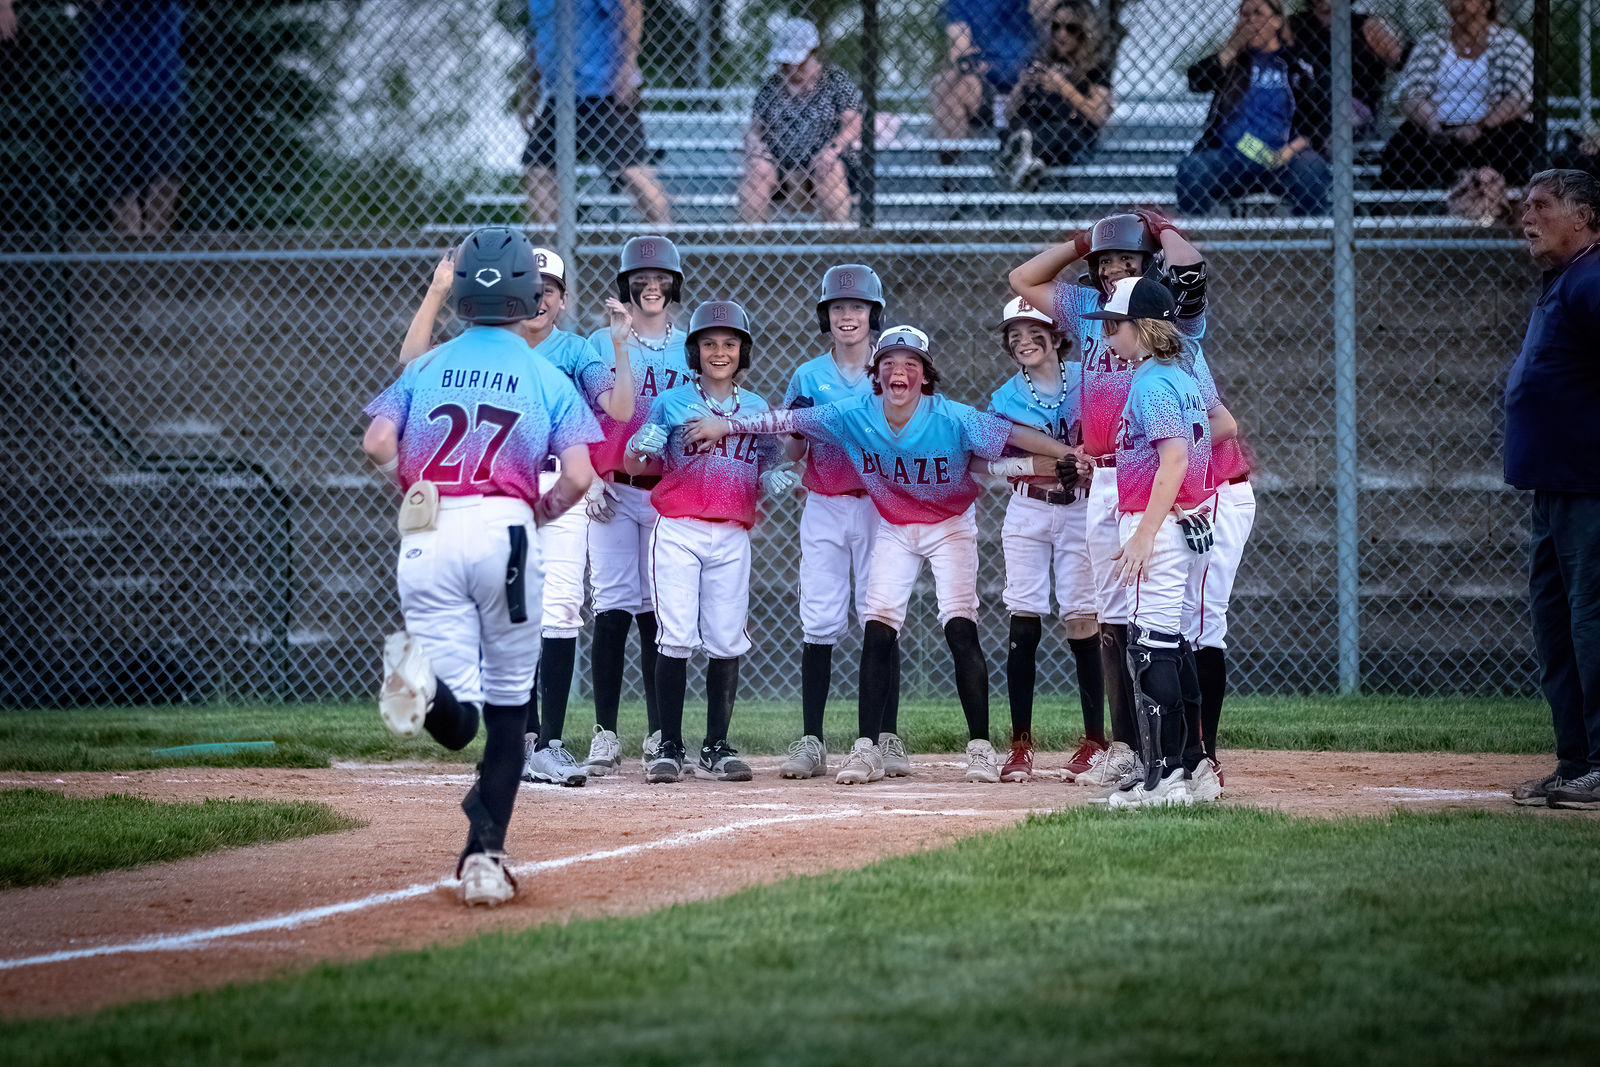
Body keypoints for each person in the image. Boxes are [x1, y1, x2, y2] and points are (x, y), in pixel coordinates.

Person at [685, 327, 1075, 785]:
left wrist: (1068, 454)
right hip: (895, 526)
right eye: (889, 363)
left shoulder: (951, 416)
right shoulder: (855, 412)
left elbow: (1013, 435)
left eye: (911, 364)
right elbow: (781, 421)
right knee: (878, 625)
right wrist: (727, 424)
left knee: (959, 626)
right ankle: (866, 747)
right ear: (876, 374)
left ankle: (980, 749)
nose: (899, 372)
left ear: (925, 377)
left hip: (950, 526)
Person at [363, 226, 602, 905]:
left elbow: (377, 439)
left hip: (428, 531)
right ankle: (481, 859)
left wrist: (406, 490)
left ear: (462, 293)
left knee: (458, 714)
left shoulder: (428, 365)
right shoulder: (545, 372)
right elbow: (580, 475)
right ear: (529, 297)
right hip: (504, 531)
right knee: (507, 714)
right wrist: (543, 511)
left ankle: (425, 689)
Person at [391, 247, 637, 789]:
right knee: (509, 610)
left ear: (564, 300)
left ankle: (545, 743)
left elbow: (619, 409)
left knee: (560, 606)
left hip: (556, 482)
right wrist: (437, 291)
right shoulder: (484, 346)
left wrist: (619, 349)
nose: (542, 298)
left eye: (551, 289)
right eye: (533, 287)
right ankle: (520, 740)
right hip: (499, 488)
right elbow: (413, 364)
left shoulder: (573, 350)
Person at [1008, 209, 1220, 790]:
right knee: (1114, 618)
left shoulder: (1165, 323)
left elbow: (1192, 278)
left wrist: (1165, 229)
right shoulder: (1093, 313)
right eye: (1105, 262)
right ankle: (1131, 748)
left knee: (1164, 627)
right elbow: (1023, 281)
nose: (1113, 270)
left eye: (1126, 258)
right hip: (1106, 481)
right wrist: (1082, 242)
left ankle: (1187, 756)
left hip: (1151, 484)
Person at [623, 301, 792, 783]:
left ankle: (716, 746)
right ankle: (669, 746)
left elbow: (768, 463)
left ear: (743, 352)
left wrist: (775, 472)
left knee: (725, 639)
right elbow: (638, 462)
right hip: (679, 527)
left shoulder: (757, 407)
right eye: (710, 344)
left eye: (730, 344)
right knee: (675, 636)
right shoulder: (672, 401)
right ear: (694, 351)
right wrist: (642, 448)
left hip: (733, 531)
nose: (720, 352)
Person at [1084, 275, 1222, 809]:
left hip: (1156, 526)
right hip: (1177, 522)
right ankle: (1186, 766)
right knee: (1174, 643)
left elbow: (1175, 458)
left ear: (1141, 328)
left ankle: (1165, 780)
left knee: (1151, 649)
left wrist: (1144, 534)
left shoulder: (1152, 382)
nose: (1109, 336)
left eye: (1115, 326)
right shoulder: (1180, 376)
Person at [778, 265, 903, 781]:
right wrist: (796, 428)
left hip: (879, 504)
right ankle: (812, 739)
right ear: (825, 316)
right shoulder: (809, 375)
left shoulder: (892, 366)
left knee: (881, 615)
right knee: (820, 618)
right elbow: (789, 450)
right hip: (826, 503)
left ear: (874, 314)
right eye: (837, 308)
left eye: (856, 307)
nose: (847, 316)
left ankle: (885, 735)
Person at [1506, 169, 1600, 811]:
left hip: (1590, 489)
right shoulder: (1566, 281)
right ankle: (1576, 763)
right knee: (1558, 624)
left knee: (1591, 624)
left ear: (1586, 217)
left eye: (1542, 206)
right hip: (1556, 489)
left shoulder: (1593, 280)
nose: (1525, 216)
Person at [581, 235, 689, 776]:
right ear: (626, 285)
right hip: (613, 488)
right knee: (612, 606)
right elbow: (581, 411)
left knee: (657, 610)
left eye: (661, 279)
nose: (652, 287)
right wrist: (592, 475)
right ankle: (604, 732)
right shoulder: (601, 342)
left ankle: (655, 732)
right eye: (641, 279)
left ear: (673, 285)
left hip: (667, 492)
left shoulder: (693, 344)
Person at [987, 296, 1105, 782]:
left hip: (1081, 510)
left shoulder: (1089, 378)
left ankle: (1095, 740)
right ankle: (1020, 745)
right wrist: (1039, 463)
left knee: (1082, 617)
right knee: (1024, 616)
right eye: (1014, 334)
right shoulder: (1004, 398)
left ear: (1058, 336)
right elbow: (989, 463)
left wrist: (1087, 462)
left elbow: (1110, 438)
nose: (1024, 341)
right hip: (1029, 509)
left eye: (1034, 330)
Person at [523, 0, 671, 226]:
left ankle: (668, 245)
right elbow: (540, 38)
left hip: (603, 90)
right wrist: (531, 90)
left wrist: (627, 66)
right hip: (560, 96)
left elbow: (630, 9)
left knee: (632, 172)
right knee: (538, 170)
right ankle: (552, 251)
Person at [1176, 0, 1329, 217]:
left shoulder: (1297, 64)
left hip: (1281, 160)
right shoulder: (1234, 63)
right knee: (1192, 168)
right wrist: (1231, 49)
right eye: (1244, 15)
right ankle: (1196, 243)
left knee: (1312, 170)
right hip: (1231, 159)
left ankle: (1309, 244)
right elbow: (1196, 81)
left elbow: (1319, 118)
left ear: (1276, 21)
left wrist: (1288, 151)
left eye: (1258, 13)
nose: (1250, 21)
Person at [1377, 0, 1537, 194]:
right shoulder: (1432, 42)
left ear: (1486, 5)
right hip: (1438, 130)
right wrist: (1433, 127)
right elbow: (1411, 95)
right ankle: (1398, 219)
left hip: (1492, 130)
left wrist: (1479, 126)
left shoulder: (1510, 43)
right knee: (1401, 148)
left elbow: (1517, 98)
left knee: (1516, 142)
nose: (1456, 3)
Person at [737, 19, 862, 224]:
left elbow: (853, 123)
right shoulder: (772, 86)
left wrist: (832, 149)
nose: (792, 70)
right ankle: (749, 248)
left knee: (828, 168)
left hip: (827, 162)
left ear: (814, 54)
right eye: (786, 65)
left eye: (799, 64)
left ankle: (839, 244)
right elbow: (755, 129)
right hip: (782, 167)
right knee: (758, 169)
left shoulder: (835, 80)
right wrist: (756, 147)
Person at [79, 0, 187, 235]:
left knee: (168, 172)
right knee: (118, 178)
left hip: (161, 94)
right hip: (108, 94)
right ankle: (131, 240)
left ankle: (151, 239)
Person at [998, 1, 1112, 190]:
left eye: (1071, 29)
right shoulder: (1039, 59)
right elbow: (1009, 113)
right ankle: (1025, 159)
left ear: (1085, 33)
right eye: (1055, 26)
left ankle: (1022, 156)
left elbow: (1098, 115)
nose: (1061, 34)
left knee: (1060, 131)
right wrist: (1022, 86)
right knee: (1018, 129)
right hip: (1033, 122)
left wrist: (1062, 87)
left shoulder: (1096, 67)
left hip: (1069, 131)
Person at [1287, 0, 1406, 148]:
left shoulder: (1365, 25)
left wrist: (1391, 46)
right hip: (1307, 105)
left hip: (1355, 107)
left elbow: (1403, 61)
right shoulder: (1293, 26)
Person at [928, 0, 1036, 151]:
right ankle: (951, 170)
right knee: (950, 81)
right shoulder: (961, 5)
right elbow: (961, 57)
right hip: (984, 85)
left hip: (1029, 79)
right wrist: (973, 62)